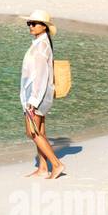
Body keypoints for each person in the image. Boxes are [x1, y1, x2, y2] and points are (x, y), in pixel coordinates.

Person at [20, 10, 65, 179]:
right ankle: (43, 168)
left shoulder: (41, 47)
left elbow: (40, 76)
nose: (31, 26)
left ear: (44, 27)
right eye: (29, 23)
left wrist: (32, 101)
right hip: (40, 95)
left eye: (34, 23)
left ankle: (57, 164)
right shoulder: (41, 43)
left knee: (32, 132)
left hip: (37, 96)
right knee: (40, 132)